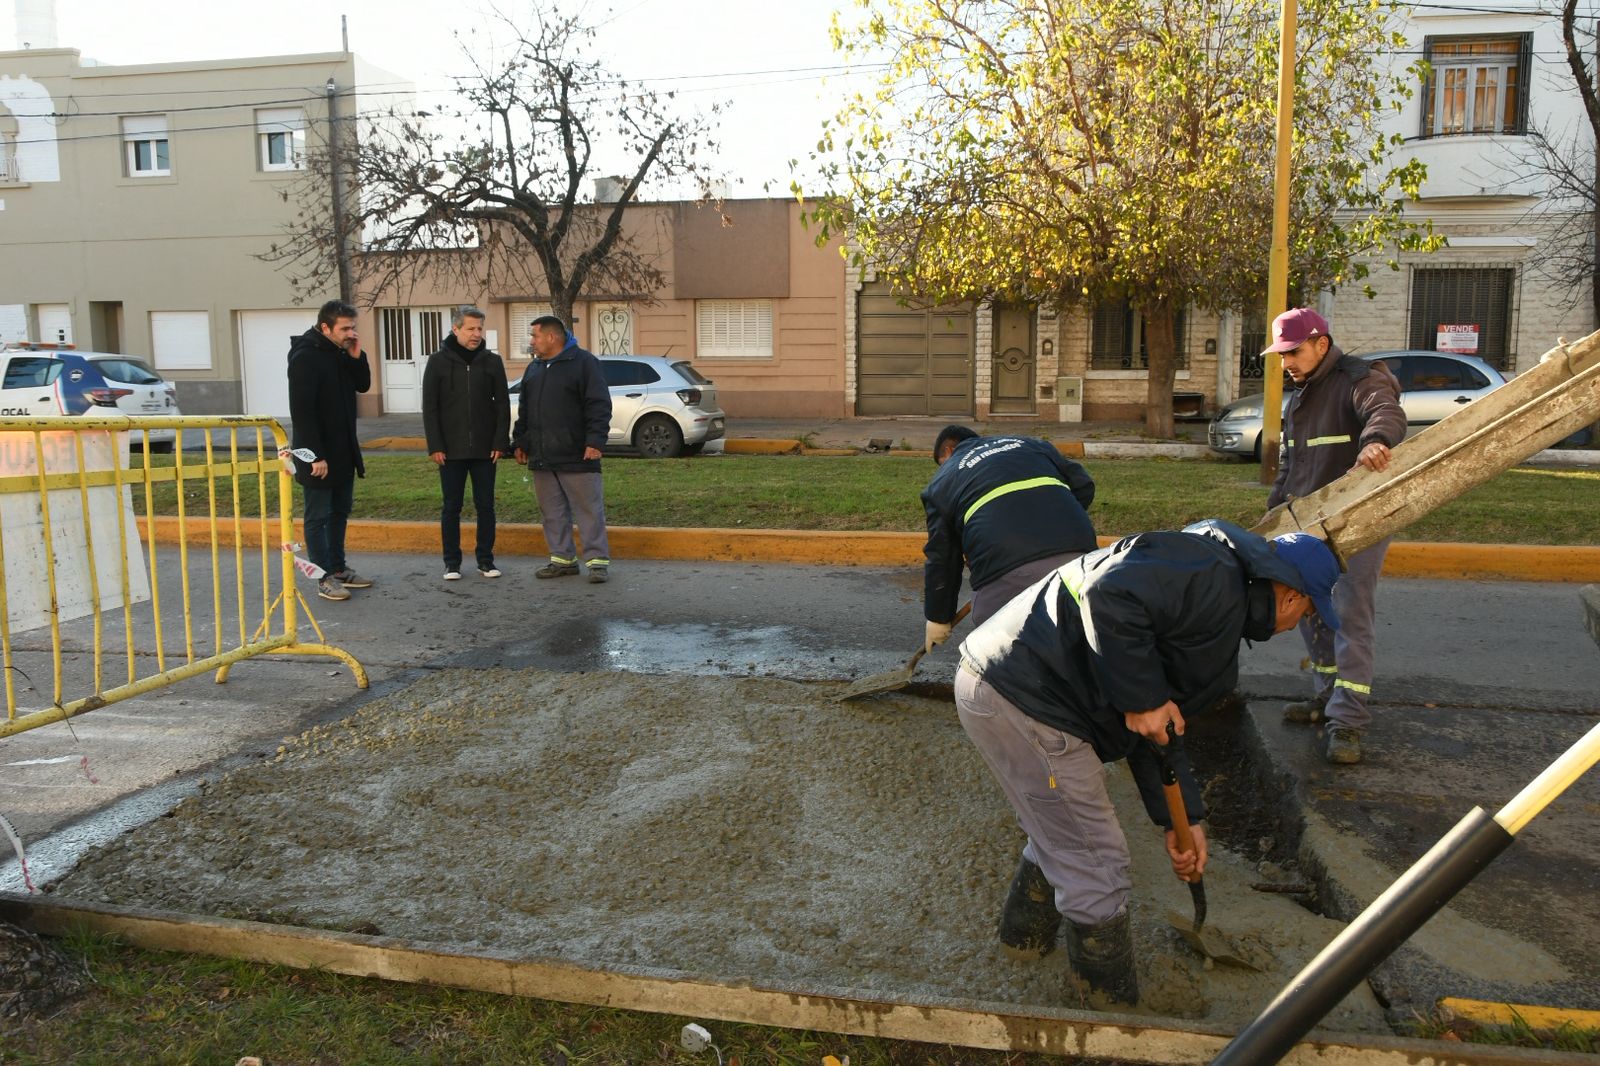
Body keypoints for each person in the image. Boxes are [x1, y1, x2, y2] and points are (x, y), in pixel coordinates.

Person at [955, 521, 1341, 1005]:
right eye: (1307, 611)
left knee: (1065, 833)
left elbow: (1159, 731)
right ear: (1290, 595)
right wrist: (1144, 699)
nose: (1298, 624)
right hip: (1024, 696)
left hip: (1009, 683)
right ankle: (1108, 1014)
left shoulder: (1214, 592)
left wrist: (1182, 820)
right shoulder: (1212, 577)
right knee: (1098, 864)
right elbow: (1108, 596)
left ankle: (1021, 947)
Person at [1264, 307, 1407, 766]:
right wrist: (1275, 513)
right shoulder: (1301, 396)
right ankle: (1326, 698)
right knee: (1309, 612)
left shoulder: (1358, 378)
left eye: (1293, 351)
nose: (1286, 361)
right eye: (1281, 354)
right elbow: (1292, 465)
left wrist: (1376, 440)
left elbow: (1384, 410)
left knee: (1347, 615)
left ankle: (1347, 722)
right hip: (1307, 524)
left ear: (1321, 344)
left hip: (1356, 521)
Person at [921, 426, 1098, 652]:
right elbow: (1083, 486)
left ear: (950, 448)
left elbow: (943, 557)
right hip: (1081, 557)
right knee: (1078, 622)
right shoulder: (1030, 445)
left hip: (1005, 568)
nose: (942, 467)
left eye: (942, 461)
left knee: (994, 641)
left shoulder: (942, 481)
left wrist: (938, 618)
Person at [511, 315, 613, 583]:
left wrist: (595, 441)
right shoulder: (534, 368)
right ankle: (562, 560)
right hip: (543, 455)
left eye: (534, 336)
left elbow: (599, 404)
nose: (531, 341)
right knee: (552, 512)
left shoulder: (584, 363)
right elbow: (525, 409)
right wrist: (520, 442)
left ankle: (597, 562)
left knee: (588, 510)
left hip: (577, 453)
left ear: (551, 337)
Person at [288, 299, 373, 602]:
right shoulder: (305, 356)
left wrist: (356, 355)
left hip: (343, 450)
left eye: (353, 327)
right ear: (325, 327)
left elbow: (362, 385)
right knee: (318, 515)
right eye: (345, 328)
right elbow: (302, 411)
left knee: (339, 511)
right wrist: (314, 456)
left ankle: (338, 568)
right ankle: (322, 577)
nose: (351, 333)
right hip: (317, 454)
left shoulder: (340, 352)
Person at [422, 306, 511, 581]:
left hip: (486, 449)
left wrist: (500, 441)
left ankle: (486, 560)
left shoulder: (491, 362)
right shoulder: (437, 362)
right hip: (449, 450)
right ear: (456, 329)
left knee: (486, 505)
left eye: (479, 329)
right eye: (471, 328)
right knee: (452, 506)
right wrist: (435, 445)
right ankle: (452, 562)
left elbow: (503, 405)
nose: (476, 334)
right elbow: (430, 406)